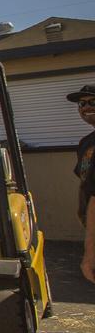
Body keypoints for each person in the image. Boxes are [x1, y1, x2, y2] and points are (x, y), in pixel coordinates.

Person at [66, 84, 95, 283]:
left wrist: (90, 250)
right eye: (81, 103)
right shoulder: (86, 142)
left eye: (92, 101)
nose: (85, 107)